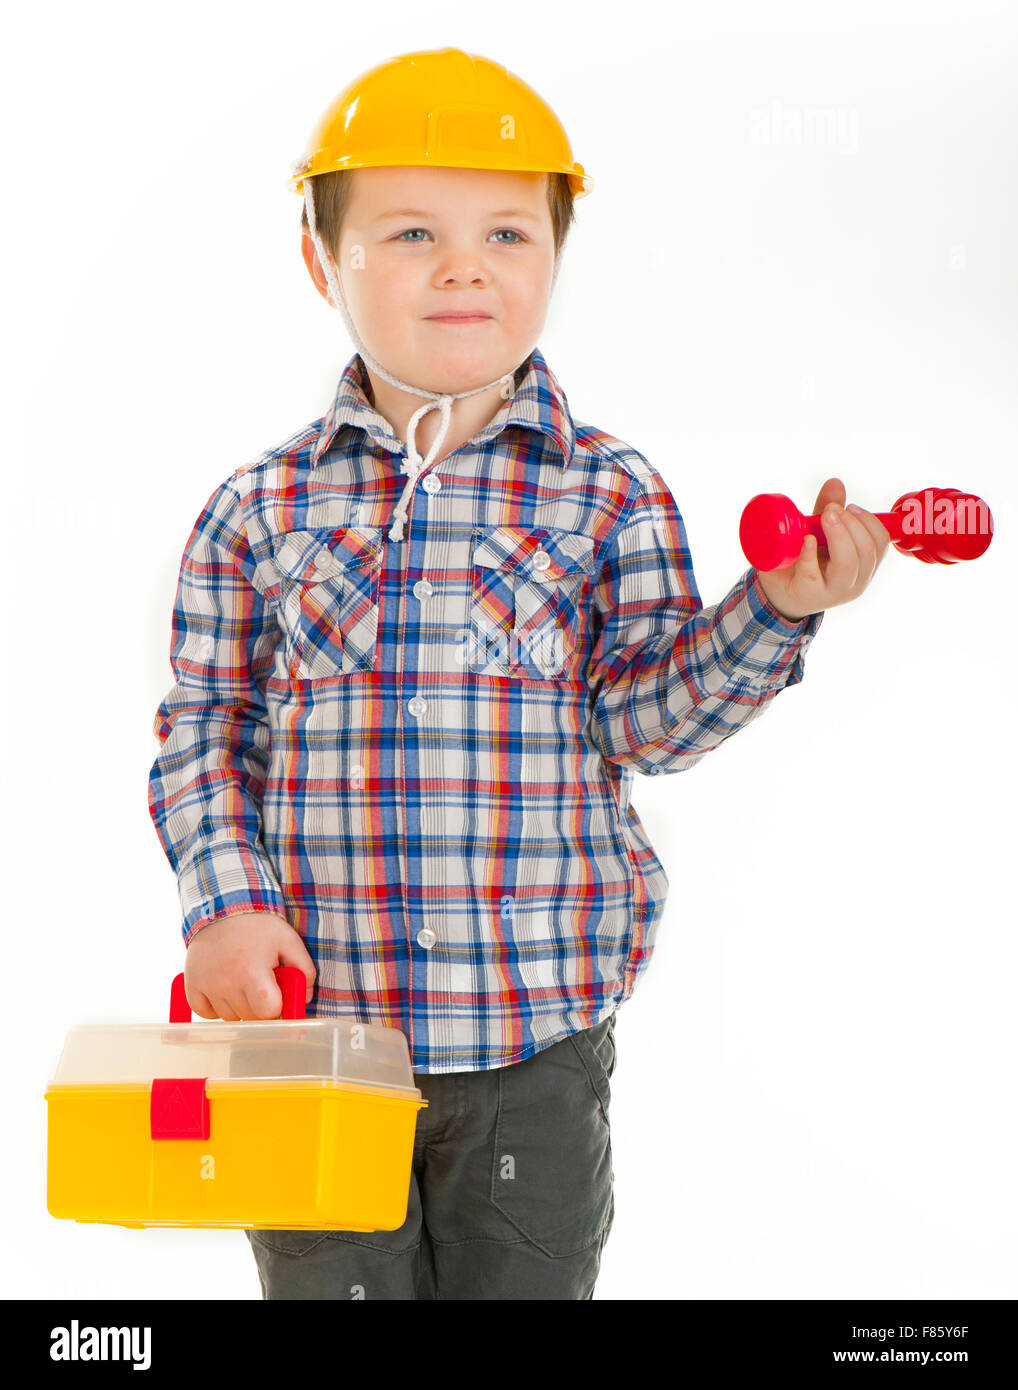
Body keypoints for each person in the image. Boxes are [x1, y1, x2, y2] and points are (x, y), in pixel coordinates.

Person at [147, 47, 889, 1301]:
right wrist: (224, 899)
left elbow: (646, 720)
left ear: (552, 257)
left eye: (507, 231)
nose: (463, 264)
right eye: (411, 231)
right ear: (324, 262)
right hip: (318, 1038)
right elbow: (204, 727)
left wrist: (774, 607)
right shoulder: (254, 508)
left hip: (532, 1038)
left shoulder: (610, 492)